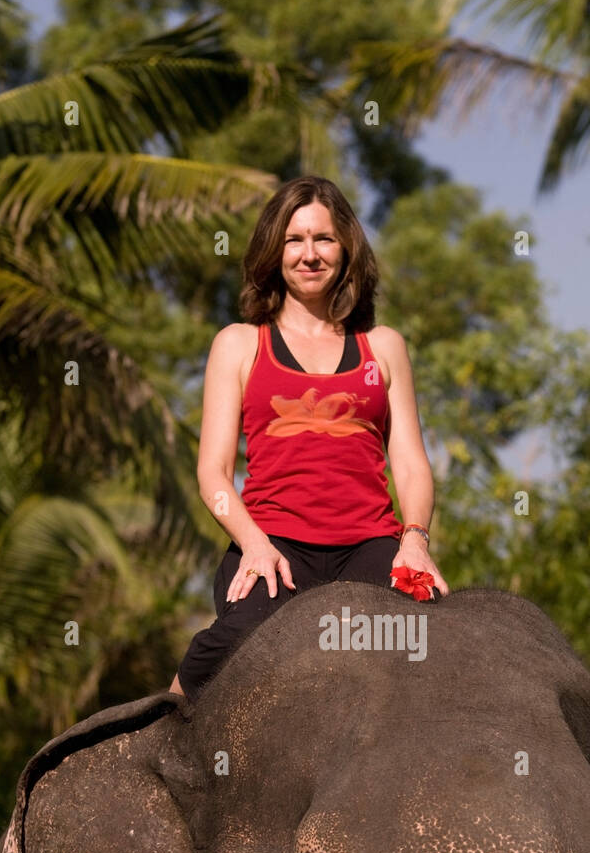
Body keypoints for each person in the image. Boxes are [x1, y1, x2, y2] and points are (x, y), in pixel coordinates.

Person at [170, 175, 449, 702]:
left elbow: (410, 464)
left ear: (346, 249)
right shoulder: (238, 344)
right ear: (274, 251)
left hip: (369, 549)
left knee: (433, 643)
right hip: (273, 544)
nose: (309, 254)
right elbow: (213, 474)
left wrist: (414, 541)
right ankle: (151, 744)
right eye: (294, 240)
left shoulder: (383, 347)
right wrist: (254, 544)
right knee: (234, 643)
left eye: (323, 239)